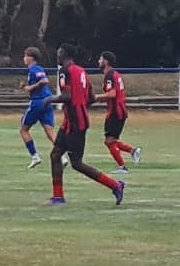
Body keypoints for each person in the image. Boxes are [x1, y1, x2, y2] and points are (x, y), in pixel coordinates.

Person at [48, 45, 124, 207]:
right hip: (72, 121)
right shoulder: (81, 71)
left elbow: (67, 96)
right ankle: (58, 197)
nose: (57, 55)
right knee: (55, 155)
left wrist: (49, 100)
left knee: (77, 163)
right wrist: (81, 104)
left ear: (64, 55)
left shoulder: (65, 71)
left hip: (75, 123)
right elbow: (91, 97)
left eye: (59, 53)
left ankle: (115, 185)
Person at [98, 51, 140, 170]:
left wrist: (96, 97)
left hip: (116, 111)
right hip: (118, 110)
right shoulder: (114, 74)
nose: (99, 61)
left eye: (100, 59)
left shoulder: (110, 75)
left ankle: (122, 166)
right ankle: (133, 151)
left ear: (106, 61)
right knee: (110, 140)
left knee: (109, 140)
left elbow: (112, 93)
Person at [18, 46, 57, 166]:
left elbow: (44, 81)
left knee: (23, 130)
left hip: (38, 102)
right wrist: (25, 87)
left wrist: (31, 87)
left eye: (25, 56)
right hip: (47, 100)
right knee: (49, 130)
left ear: (31, 58)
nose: (24, 58)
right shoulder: (36, 69)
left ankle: (35, 156)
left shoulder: (34, 69)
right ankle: (62, 156)